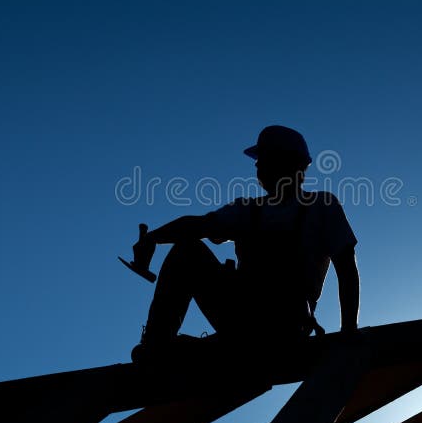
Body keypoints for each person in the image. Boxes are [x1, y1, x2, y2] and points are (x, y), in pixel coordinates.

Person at [130, 125, 360, 361]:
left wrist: (348, 334)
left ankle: (201, 348)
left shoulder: (322, 206)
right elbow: (197, 225)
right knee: (187, 252)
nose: (257, 166)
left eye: (264, 159)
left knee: (189, 253)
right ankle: (158, 346)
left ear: (288, 163)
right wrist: (153, 238)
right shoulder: (249, 210)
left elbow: (346, 270)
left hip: (286, 325)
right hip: (242, 317)